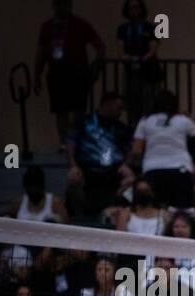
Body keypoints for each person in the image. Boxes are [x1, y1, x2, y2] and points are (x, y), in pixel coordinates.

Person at [33, 0, 106, 143]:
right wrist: (37, 75)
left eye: (66, 4)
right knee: (60, 110)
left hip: (78, 71)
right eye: (60, 4)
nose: (63, 7)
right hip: (56, 71)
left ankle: (77, 142)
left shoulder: (80, 24)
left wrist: (96, 66)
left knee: (78, 109)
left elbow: (100, 46)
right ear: (54, 6)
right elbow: (41, 52)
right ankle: (64, 143)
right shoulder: (47, 27)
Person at [131, 90, 195, 213]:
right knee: (182, 211)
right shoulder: (181, 120)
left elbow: (136, 150)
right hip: (180, 169)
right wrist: (191, 118)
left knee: (155, 210)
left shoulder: (145, 121)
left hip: (152, 170)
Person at [65, 91, 133, 219]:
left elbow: (131, 149)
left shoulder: (122, 128)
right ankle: (80, 220)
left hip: (114, 173)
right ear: (108, 105)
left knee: (131, 182)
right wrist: (73, 166)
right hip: (87, 171)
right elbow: (70, 143)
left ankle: (118, 218)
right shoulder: (85, 122)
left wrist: (126, 165)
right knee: (73, 180)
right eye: (119, 108)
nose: (121, 112)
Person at [117, 0, 161, 123]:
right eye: (131, 8)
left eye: (136, 7)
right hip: (132, 73)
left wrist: (142, 59)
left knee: (150, 105)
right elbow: (120, 48)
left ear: (141, 9)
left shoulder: (149, 27)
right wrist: (129, 59)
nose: (134, 10)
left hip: (149, 72)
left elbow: (153, 47)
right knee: (133, 106)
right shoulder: (123, 28)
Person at [5, 166, 70, 224]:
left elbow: (67, 227)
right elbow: (4, 218)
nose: (34, 191)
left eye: (36, 188)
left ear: (42, 186)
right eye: (31, 188)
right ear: (26, 188)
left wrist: (57, 221)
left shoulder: (55, 203)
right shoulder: (19, 202)